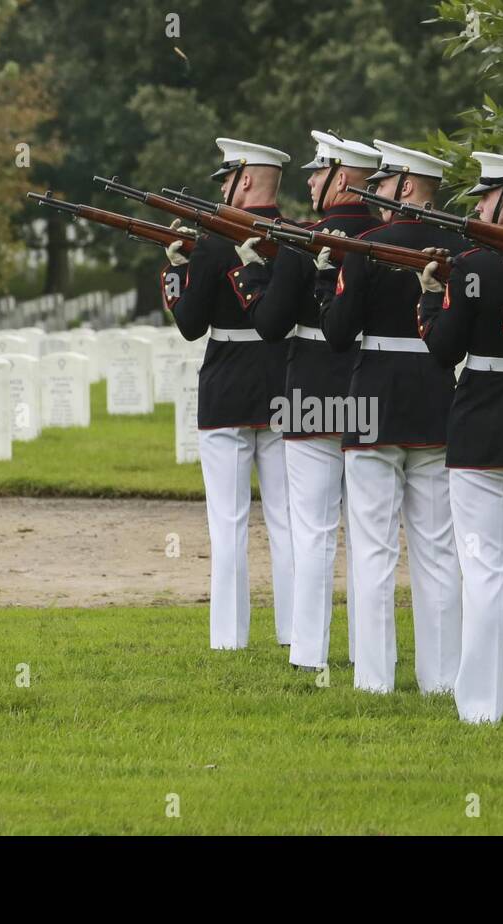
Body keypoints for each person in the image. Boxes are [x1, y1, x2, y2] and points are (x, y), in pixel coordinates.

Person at [317, 140, 467, 694]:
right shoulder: (459, 248)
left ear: (404, 186)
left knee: (374, 548)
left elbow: (336, 333)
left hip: (374, 398)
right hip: (434, 398)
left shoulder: (366, 245)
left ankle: (376, 677)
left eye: (381, 183)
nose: (373, 192)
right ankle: (442, 677)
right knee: (436, 549)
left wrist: (323, 278)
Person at [415, 152, 503, 724]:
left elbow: (443, 348)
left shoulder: (472, 264)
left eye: (486, 196)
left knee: (482, 570)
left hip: (480, 426)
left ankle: (479, 705)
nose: (477, 206)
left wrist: (429, 297)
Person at [231, 131, 382, 671]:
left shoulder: (304, 240)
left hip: (308, 396)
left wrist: (251, 274)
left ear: (341, 179)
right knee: (369, 535)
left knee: (312, 530)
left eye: (319, 173)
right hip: (367, 393)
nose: (311, 182)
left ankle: (310, 650)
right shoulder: (387, 240)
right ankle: (371, 656)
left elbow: (270, 324)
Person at [161, 138, 295, 651]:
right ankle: (293, 631)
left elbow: (191, 324)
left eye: (226, 180)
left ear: (243, 180)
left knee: (229, 522)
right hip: (282, 388)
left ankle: (229, 637)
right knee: (286, 519)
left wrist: (174, 271)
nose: (221, 190)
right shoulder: (293, 235)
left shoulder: (216, 243)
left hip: (225, 389)